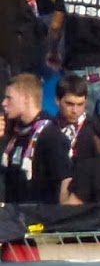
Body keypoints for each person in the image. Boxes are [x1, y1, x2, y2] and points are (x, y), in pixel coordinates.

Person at [2, 73, 70, 202]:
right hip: (13, 215)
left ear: (26, 99)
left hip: (41, 218)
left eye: (9, 98)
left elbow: (63, 184)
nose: (4, 103)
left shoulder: (52, 137)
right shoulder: (14, 134)